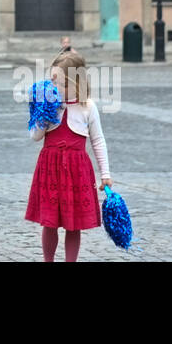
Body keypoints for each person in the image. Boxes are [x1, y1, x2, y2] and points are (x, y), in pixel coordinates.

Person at [25, 50, 112, 262]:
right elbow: (35, 137)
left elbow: (98, 140)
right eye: (53, 82)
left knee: (74, 224)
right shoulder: (51, 106)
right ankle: (48, 259)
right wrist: (42, 115)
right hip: (50, 169)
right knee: (50, 222)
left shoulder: (87, 107)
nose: (56, 88)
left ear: (78, 83)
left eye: (63, 84)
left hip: (76, 171)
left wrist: (105, 174)